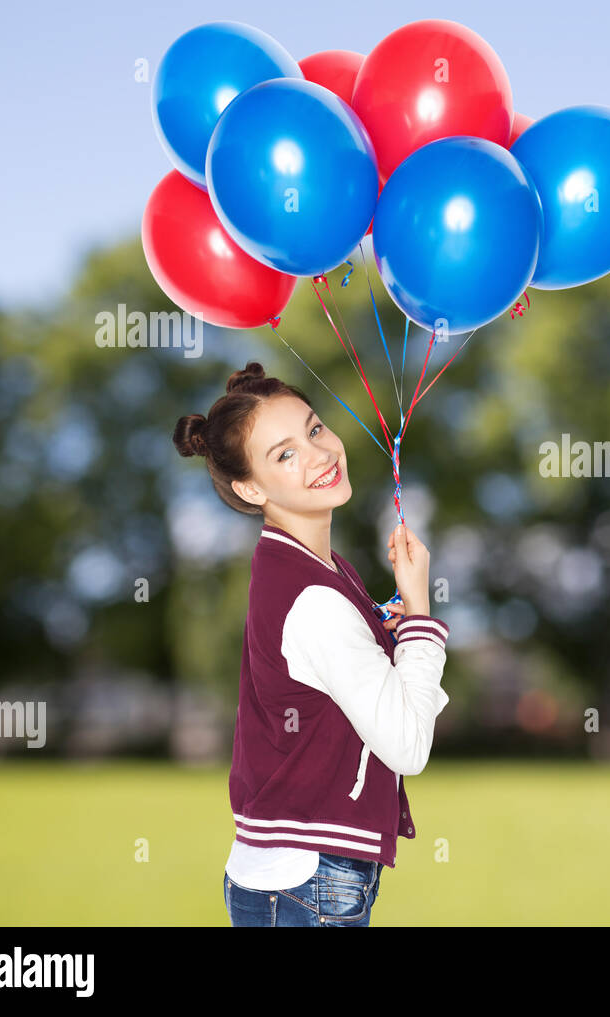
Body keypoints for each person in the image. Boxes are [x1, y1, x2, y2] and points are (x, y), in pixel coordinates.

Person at [173, 361, 450, 927]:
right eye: (284, 454)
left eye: (315, 429)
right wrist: (419, 615)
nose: (320, 454)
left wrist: (383, 635)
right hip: (308, 882)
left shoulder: (316, 569)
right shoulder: (314, 596)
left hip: (298, 878)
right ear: (250, 488)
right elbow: (407, 745)